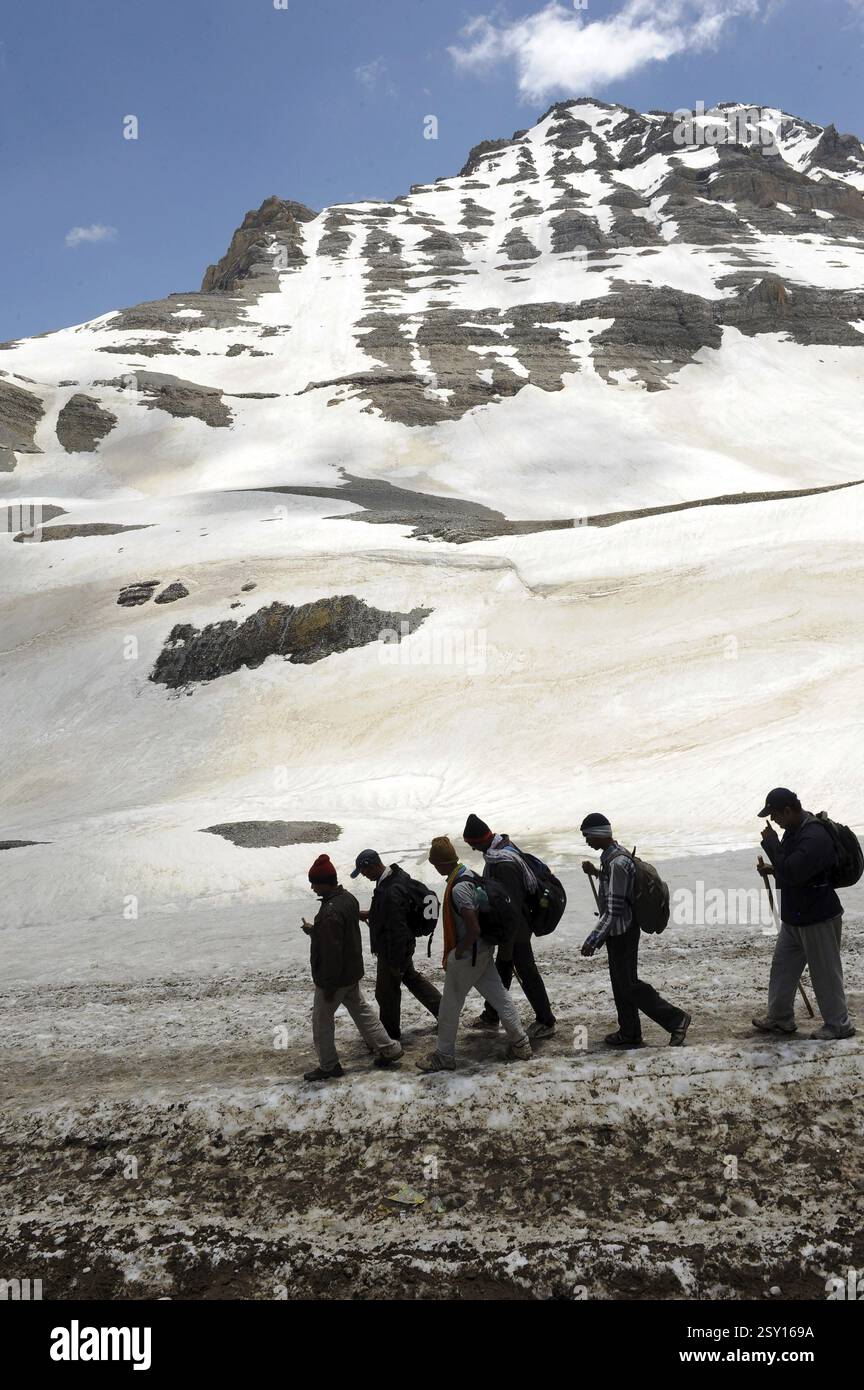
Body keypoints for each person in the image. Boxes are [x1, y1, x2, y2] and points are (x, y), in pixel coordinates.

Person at [415, 836, 532, 1073]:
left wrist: (459, 951)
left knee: (449, 1006)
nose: (434, 867)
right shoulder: (467, 873)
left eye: (435, 863)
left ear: (440, 863)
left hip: (469, 955)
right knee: (499, 996)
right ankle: (521, 1043)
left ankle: (444, 1055)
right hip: (484, 950)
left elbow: (473, 926)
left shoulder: (458, 888)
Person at [579, 813, 691, 1047]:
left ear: (599, 834)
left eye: (588, 836)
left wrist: (593, 939)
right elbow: (618, 887)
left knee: (629, 984)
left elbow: (614, 908)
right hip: (617, 931)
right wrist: (597, 874)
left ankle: (676, 1019)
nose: (587, 841)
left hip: (623, 932)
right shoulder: (612, 857)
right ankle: (629, 1032)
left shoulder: (617, 862)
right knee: (621, 983)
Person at [754, 788, 855, 1040]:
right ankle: (780, 1018)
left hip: (818, 916)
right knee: (782, 968)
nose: (774, 821)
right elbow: (789, 867)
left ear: (788, 810)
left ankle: (839, 1024)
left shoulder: (814, 835)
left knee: (825, 973)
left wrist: (771, 844)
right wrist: (771, 867)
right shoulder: (794, 832)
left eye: (775, 815)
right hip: (796, 916)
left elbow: (794, 872)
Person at [302, 854, 404, 1081]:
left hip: (334, 978)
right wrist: (314, 930)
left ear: (325, 882)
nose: (312, 887)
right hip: (351, 972)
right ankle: (390, 1048)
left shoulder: (330, 912)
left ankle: (329, 1065)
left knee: (322, 1021)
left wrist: (327, 985)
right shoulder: (348, 899)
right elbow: (340, 937)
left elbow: (331, 951)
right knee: (362, 1011)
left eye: (314, 883)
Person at [462, 814, 556, 1040]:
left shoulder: (502, 864)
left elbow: (509, 903)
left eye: (473, 845)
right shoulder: (502, 849)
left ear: (479, 840)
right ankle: (491, 1014)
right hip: (514, 925)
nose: (474, 850)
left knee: (526, 972)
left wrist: (506, 936)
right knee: (503, 968)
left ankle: (546, 1020)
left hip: (516, 929)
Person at [350, 848, 441, 1041]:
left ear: (373, 866)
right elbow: (391, 915)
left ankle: (389, 1040)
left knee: (386, 994)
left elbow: (396, 928)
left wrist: (394, 961)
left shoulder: (390, 890)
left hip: (394, 950)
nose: (364, 876)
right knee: (411, 978)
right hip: (402, 946)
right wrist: (368, 915)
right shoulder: (393, 880)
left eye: (364, 871)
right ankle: (444, 1012)